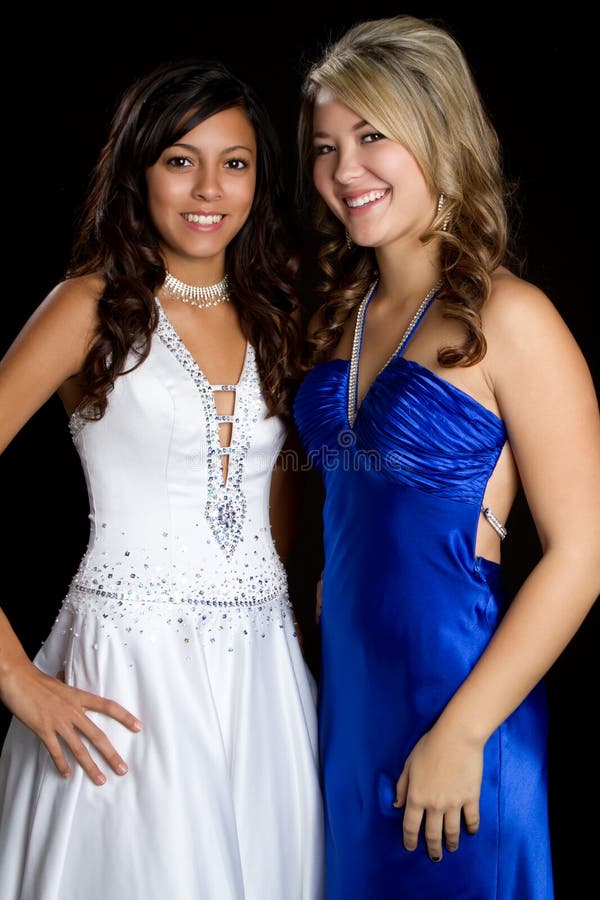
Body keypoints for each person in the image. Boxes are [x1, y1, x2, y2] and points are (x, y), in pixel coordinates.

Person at [0, 58, 324, 899]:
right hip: (123, 673)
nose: (209, 187)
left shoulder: (282, 315)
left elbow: (278, 518)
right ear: (140, 168)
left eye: (236, 162)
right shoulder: (89, 305)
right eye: (181, 159)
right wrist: (14, 678)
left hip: (262, 677)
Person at [293, 14, 600, 900]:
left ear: (438, 132)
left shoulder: (512, 317)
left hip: (459, 706)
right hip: (352, 712)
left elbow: (578, 558)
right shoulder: (336, 322)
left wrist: (463, 733)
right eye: (325, 146)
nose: (344, 171)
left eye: (372, 136)